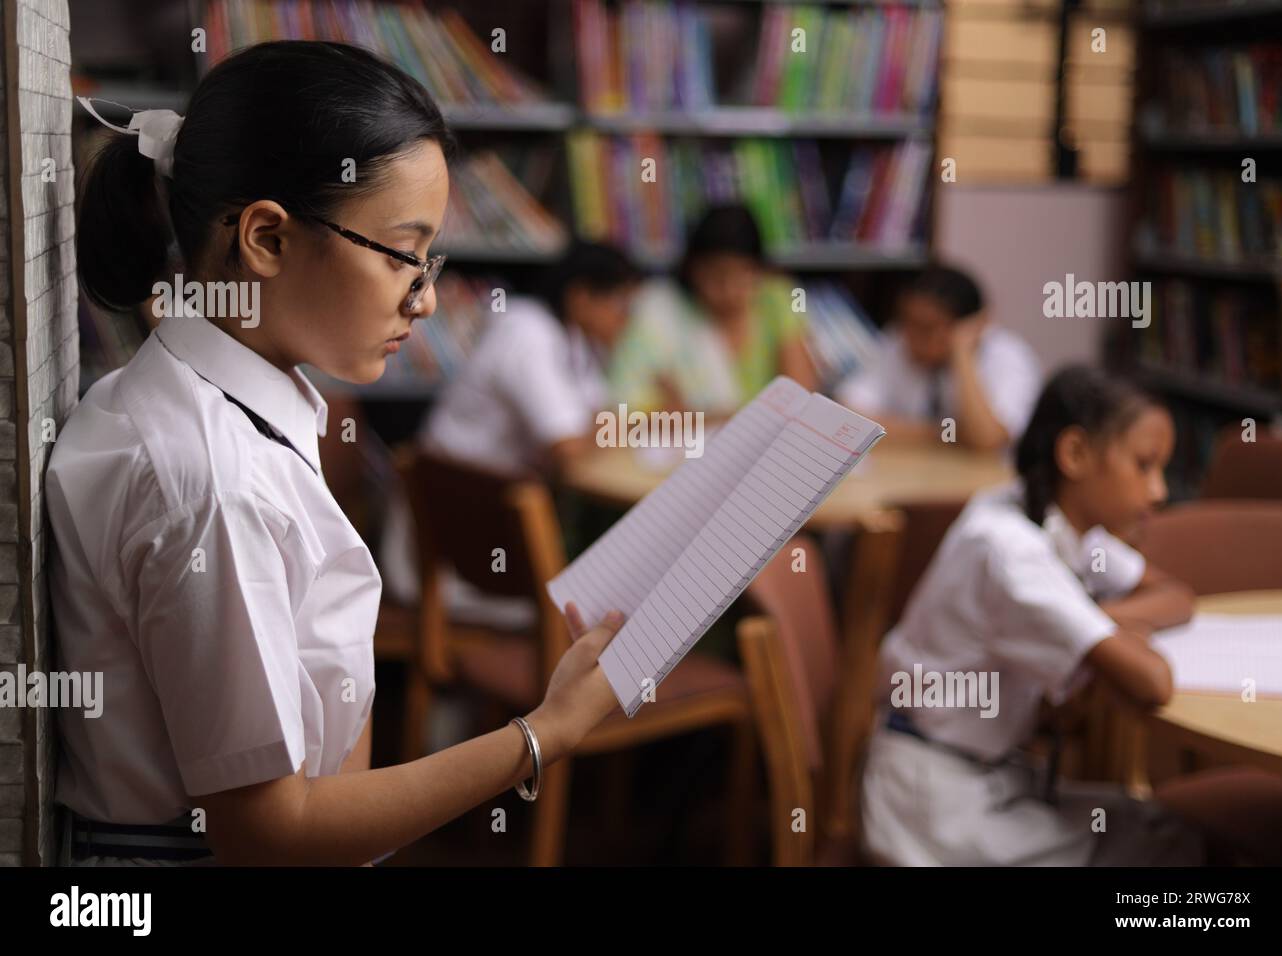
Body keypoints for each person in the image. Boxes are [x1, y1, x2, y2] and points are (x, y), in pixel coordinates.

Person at [49, 40, 622, 866]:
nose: (424, 299)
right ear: (268, 240)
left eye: (432, 258)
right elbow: (272, 833)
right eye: (402, 253)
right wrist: (544, 734)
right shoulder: (213, 481)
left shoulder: (198, 402)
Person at [861, 365, 1205, 866]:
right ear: (1075, 454)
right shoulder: (1011, 552)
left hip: (988, 775)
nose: (1158, 492)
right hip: (934, 802)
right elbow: (1151, 681)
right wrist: (1103, 628)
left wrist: (1098, 618)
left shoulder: (1051, 518)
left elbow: (1177, 595)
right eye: (1144, 465)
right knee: (1158, 843)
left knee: (1160, 828)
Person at [420, 239, 638, 476]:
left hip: (498, 481)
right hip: (456, 485)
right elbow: (568, 447)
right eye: (621, 305)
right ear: (581, 297)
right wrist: (627, 427)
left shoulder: (575, 339)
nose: (627, 319)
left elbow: (600, 416)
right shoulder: (527, 332)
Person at [608, 203, 817, 416]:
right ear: (692, 270)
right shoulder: (664, 312)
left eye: (740, 275)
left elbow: (799, 392)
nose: (727, 289)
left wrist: (714, 415)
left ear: (758, 270)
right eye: (715, 276)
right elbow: (634, 408)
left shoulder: (779, 298)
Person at [837, 264, 1040, 451]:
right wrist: (944, 433)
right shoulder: (898, 342)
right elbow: (849, 418)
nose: (910, 337)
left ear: (969, 327)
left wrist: (962, 353)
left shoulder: (1008, 357)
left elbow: (987, 440)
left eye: (926, 328)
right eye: (906, 321)